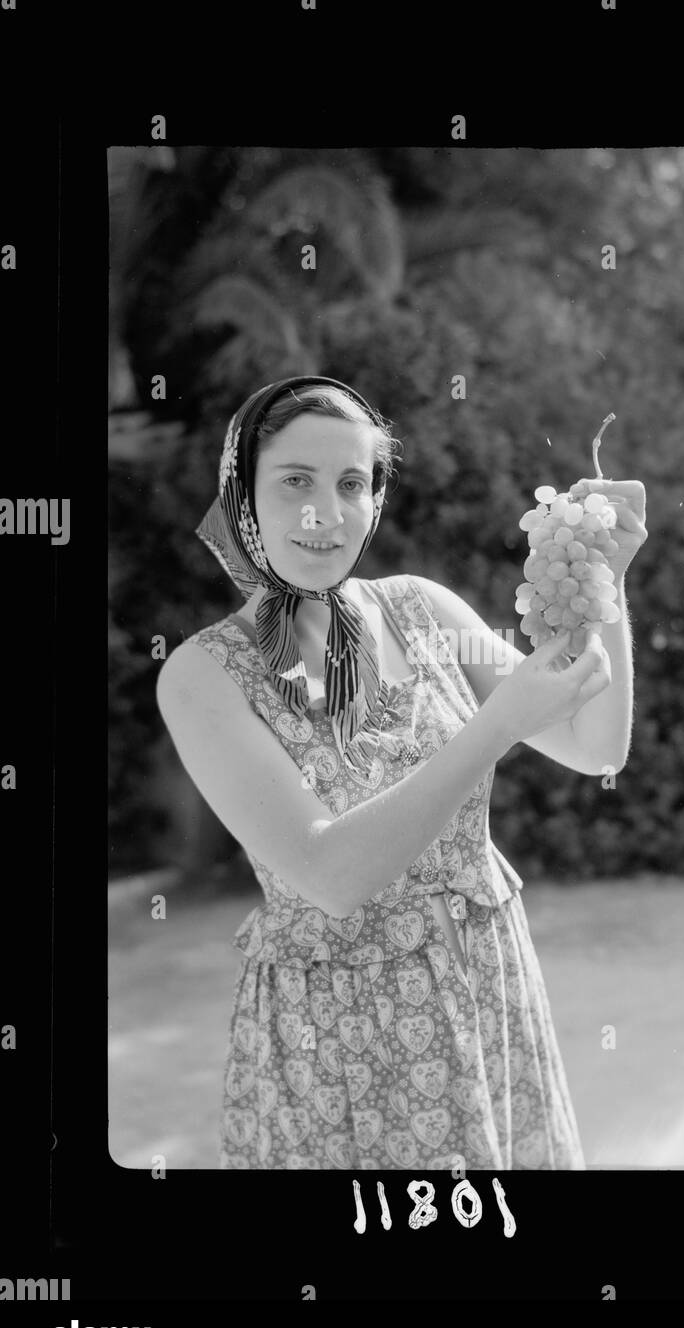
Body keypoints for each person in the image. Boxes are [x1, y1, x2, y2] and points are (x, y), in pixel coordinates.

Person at [156, 375, 647, 1170]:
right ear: (241, 493)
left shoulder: (424, 610)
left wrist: (604, 581)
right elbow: (330, 873)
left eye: (352, 482)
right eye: (294, 482)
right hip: (340, 1043)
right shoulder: (201, 675)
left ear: (377, 498)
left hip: (487, 990)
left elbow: (596, 746)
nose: (327, 511)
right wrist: (496, 727)